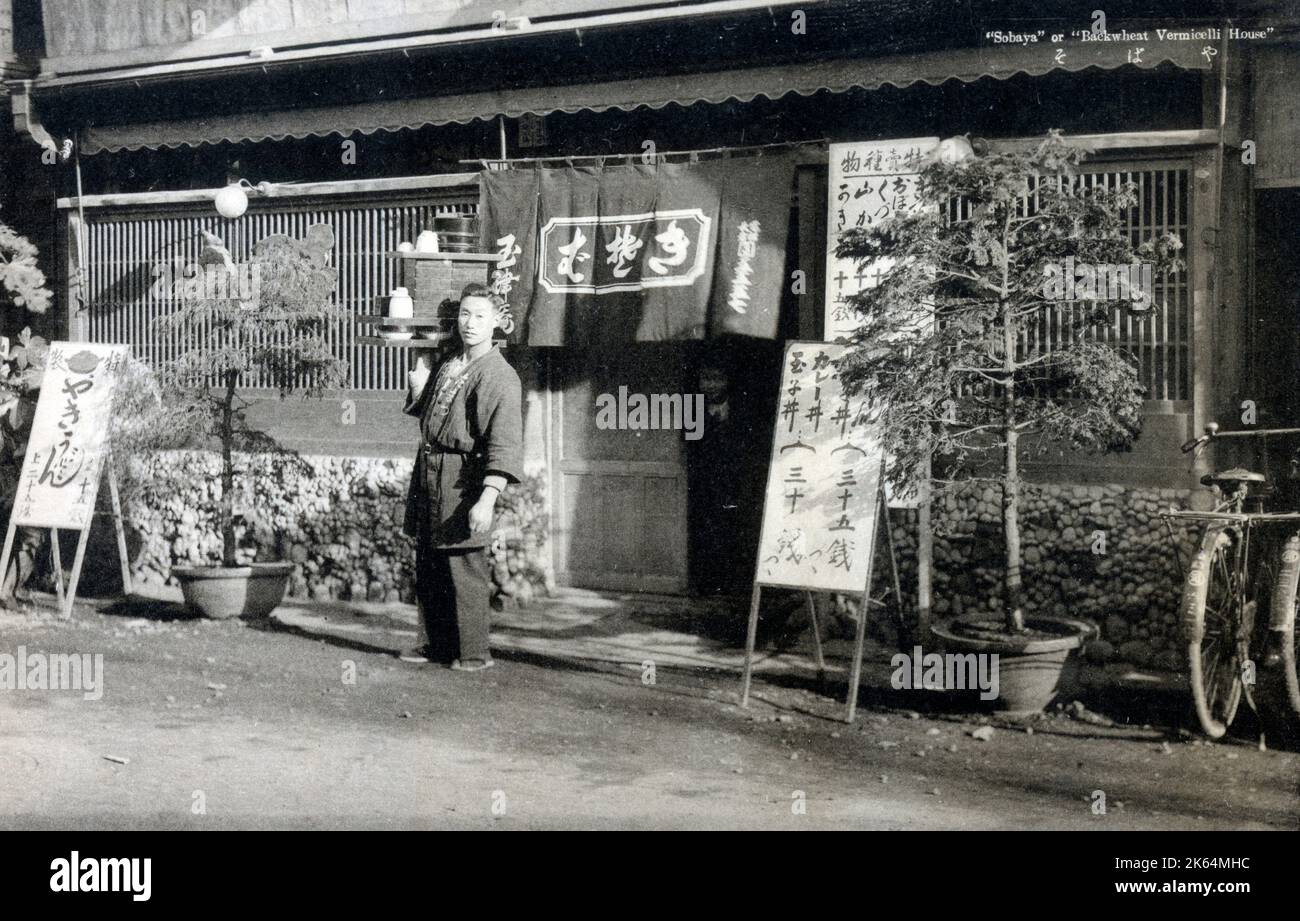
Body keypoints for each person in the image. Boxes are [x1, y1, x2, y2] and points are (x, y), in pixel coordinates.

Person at [399, 283, 522, 671]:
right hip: (431, 472)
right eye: (465, 314)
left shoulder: (499, 375)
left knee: (465, 565)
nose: (470, 323)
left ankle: (473, 652)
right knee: (430, 562)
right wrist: (419, 387)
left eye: (480, 316)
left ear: (497, 323)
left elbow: (504, 443)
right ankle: (435, 644)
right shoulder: (451, 362)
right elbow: (434, 415)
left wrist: (487, 498)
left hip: (462, 477)